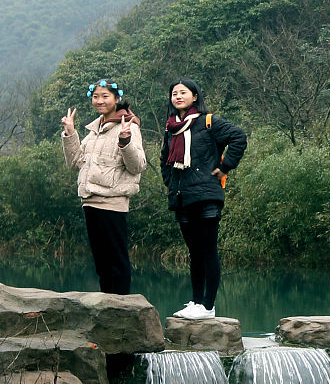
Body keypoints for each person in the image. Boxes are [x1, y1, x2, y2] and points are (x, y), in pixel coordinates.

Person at [160, 78, 246, 320]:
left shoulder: (208, 122)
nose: (177, 96)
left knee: (208, 250)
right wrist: (170, 181)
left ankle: (208, 306)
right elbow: (164, 159)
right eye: (174, 93)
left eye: (183, 92)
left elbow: (238, 137)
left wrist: (225, 166)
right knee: (194, 252)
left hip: (206, 195)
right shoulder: (171, 127)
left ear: (195, 96)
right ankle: (196, 302)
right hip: (182, 196)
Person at [61, 79, 147, 295]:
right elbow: (75, 163)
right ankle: (108, 310)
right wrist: (70, 134)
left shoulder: (128, 125)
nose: (99, 101)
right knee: (102, 264)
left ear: (117, 99)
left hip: (112, 202)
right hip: (90, 201)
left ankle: (122, 310)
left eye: (105, 96)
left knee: (116, 262)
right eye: (96, 97)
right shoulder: (94, 130)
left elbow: (138, 166)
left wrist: (125, 141)